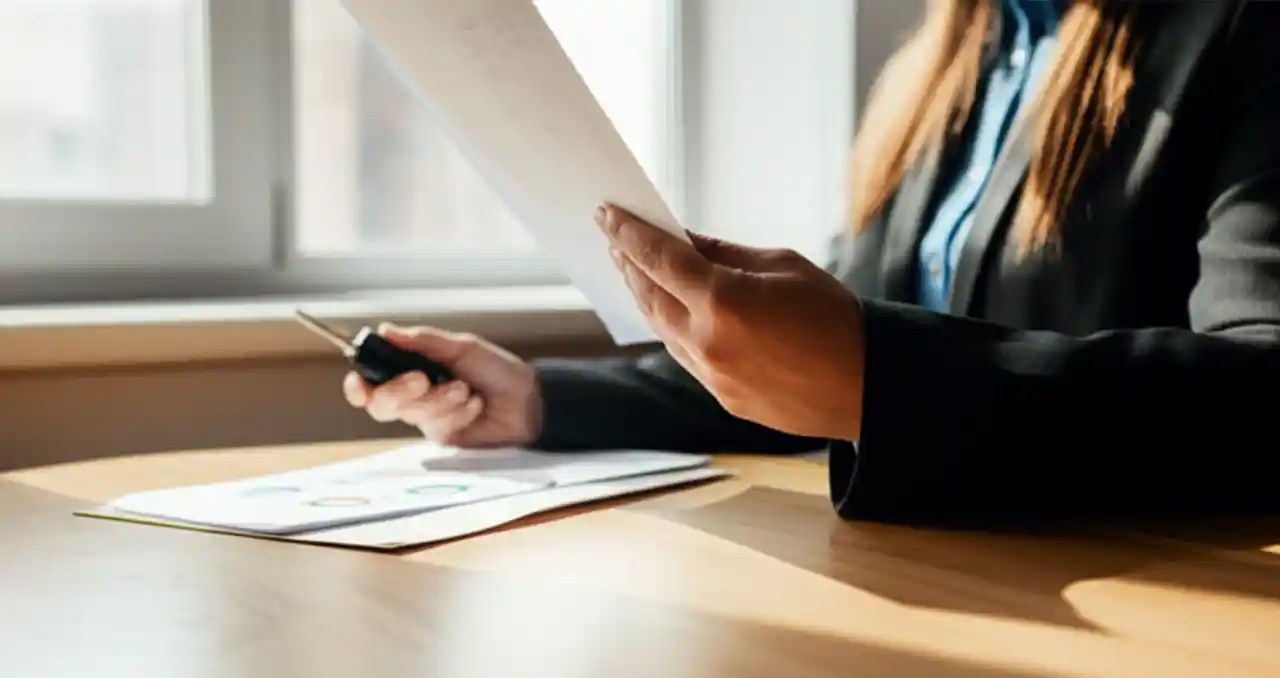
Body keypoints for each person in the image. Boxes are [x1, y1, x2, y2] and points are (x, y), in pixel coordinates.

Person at [344, 0, 1280, 525]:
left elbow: (1263, 401)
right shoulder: (941, 71)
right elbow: (806, 375)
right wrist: (541, 400)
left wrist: (873, 377)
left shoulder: (1245, 31)